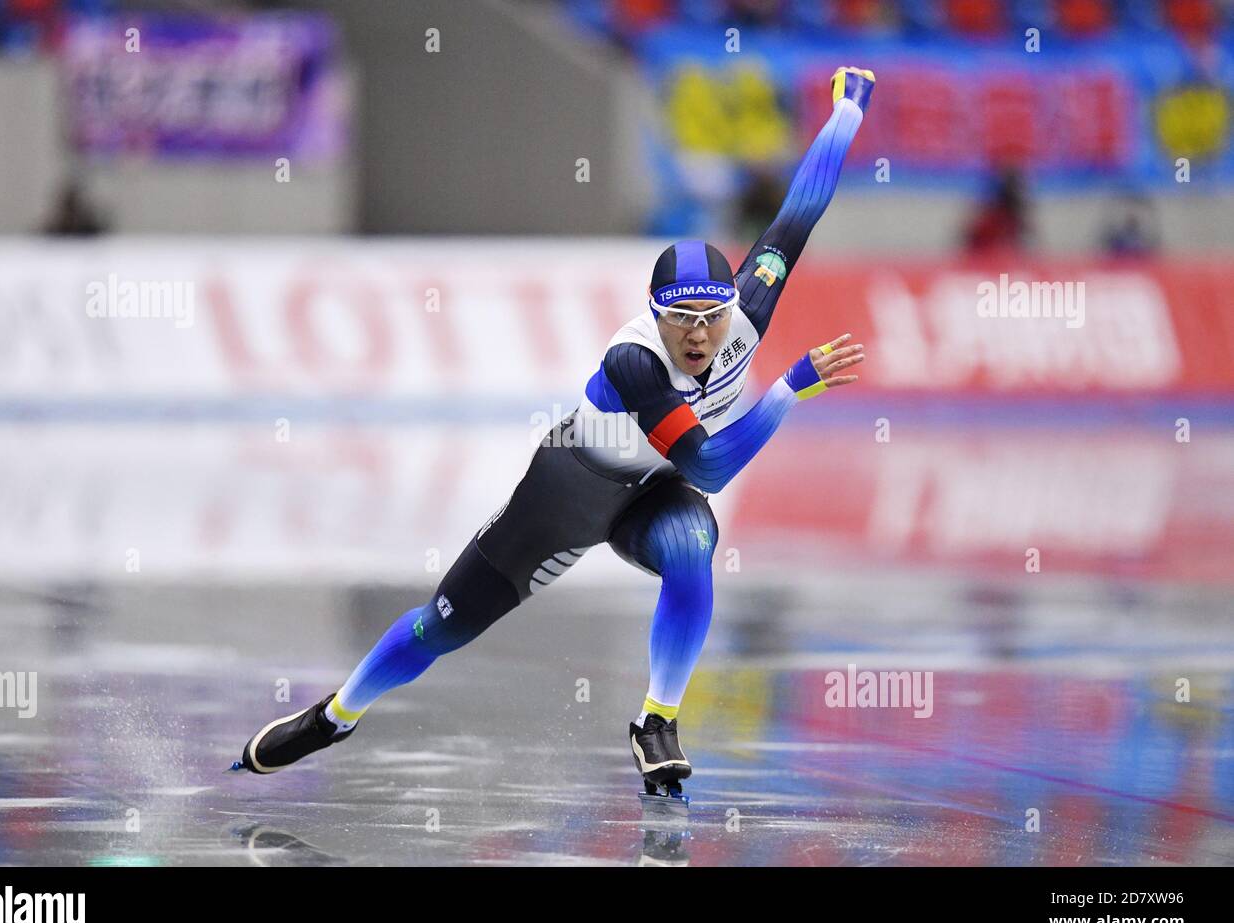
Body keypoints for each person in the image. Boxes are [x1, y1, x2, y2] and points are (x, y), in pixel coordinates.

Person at [234, 66, 875, 800]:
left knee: (694, 546)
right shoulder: (636, 362)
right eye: (681, 318)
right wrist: (792, 386)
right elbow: (712, 467)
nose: (699, 335)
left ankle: (655, 721)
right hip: (565, 497)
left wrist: (846, 113)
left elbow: (798, 215)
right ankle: (337, 714)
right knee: (440, 631)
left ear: (735, 305)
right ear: (654, 315)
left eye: (712, 316)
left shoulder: (748, 309)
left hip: (647, 495)